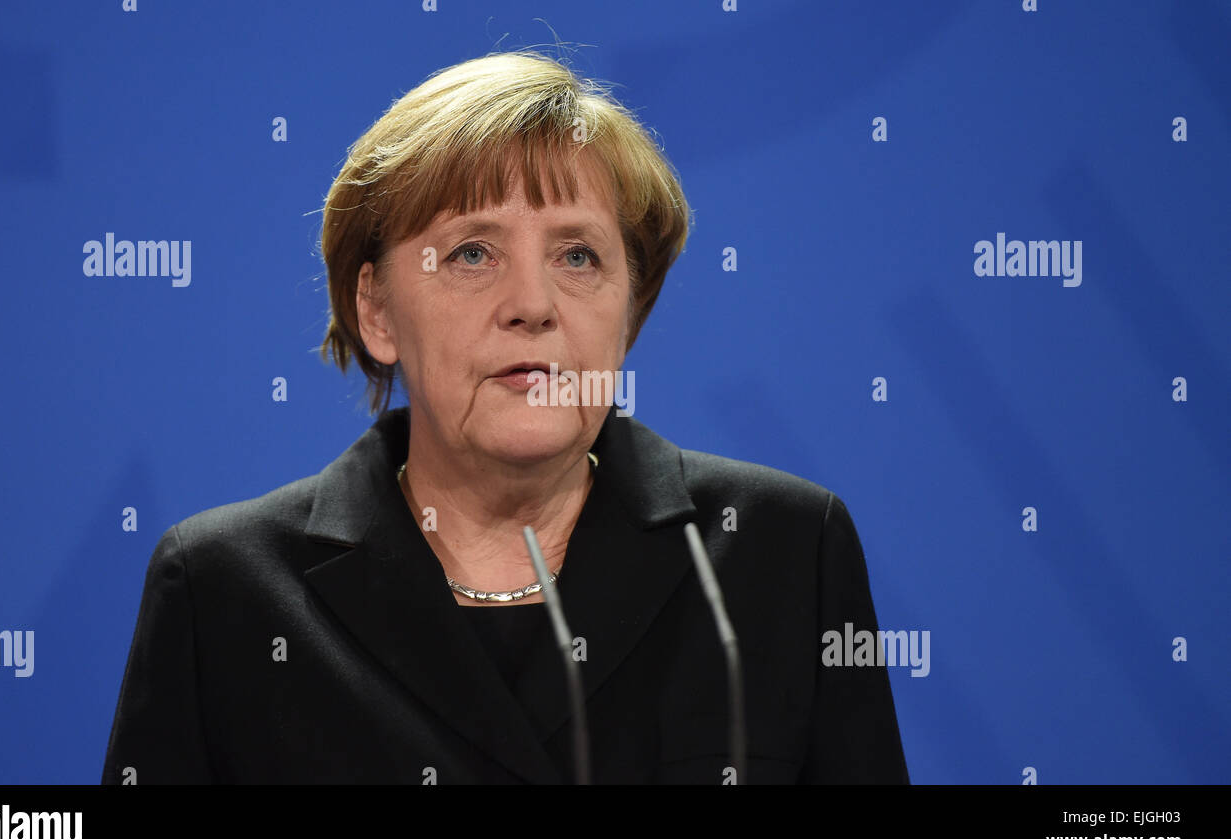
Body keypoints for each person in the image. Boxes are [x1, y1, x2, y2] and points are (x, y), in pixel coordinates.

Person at [101, 50, 909, 784]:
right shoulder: (224, 591)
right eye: (472, 254)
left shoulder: (785, 551)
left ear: (628, 310)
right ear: (378, 311)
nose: (532, 304)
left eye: (578, 255)